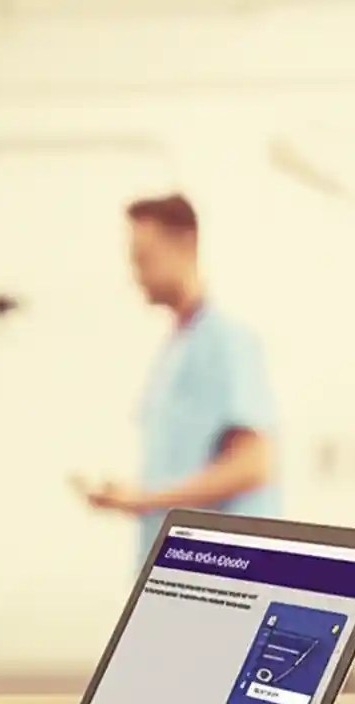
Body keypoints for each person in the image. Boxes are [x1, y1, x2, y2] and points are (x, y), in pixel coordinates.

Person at [81, 193, 280, 564]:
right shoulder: (176, 349)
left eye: (144, 259)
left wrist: (143, 500)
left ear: (186, 244)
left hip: (224, 576)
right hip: (178, 571)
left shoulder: (228, 342)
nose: (135, 275)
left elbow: (253, 464)